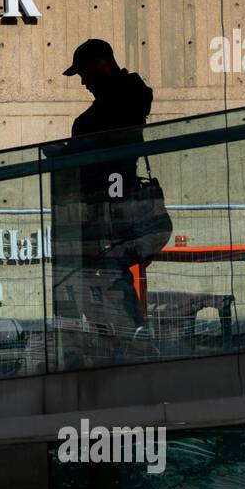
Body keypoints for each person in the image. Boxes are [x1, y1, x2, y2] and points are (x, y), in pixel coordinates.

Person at [57, 39, 155, 358]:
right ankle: (121, 335)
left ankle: (131, 334)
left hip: (115, 202)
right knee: (95, 269)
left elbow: (130, 104)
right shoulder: (110, 107)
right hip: (104, 203)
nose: (83, 83)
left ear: (102, 65)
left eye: (85, 74)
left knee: (107, 265)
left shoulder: (128, 95)